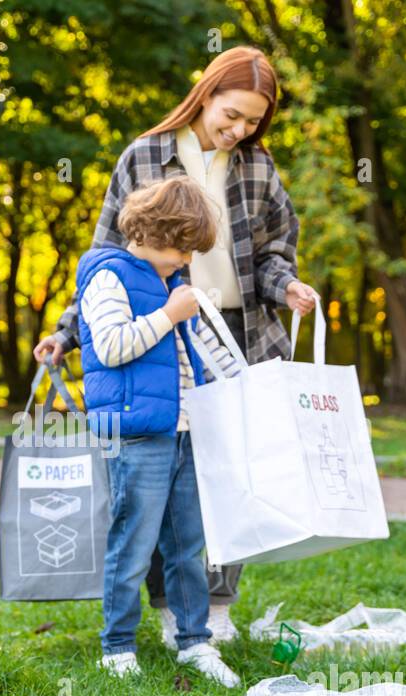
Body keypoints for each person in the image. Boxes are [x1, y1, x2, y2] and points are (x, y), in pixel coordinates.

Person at [34, 46, 319, 649]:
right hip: (164, 337)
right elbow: (105, 254)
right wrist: (66, 332)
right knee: (167, 471)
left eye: (253, 122)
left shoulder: (258, 169)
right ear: (207, 93)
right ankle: (167, 607)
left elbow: (273, 254)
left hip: (240, 339)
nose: (239, 130)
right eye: (233, 114)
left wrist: (287, 285)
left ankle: (216, 604)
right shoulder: (145, 156)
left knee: (229, 476)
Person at [80, 176, 241, 687]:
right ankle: (118, 645)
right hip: (136, 435)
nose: (186, 259)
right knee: (132, 544)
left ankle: (194, 641)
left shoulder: (171, 281)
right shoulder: (108, 275)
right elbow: (110, 347)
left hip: (185, 432)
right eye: (182, 247)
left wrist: (241, 382)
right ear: (153, 232)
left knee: (187, 545)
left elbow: (198, 351)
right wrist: (168, 315)